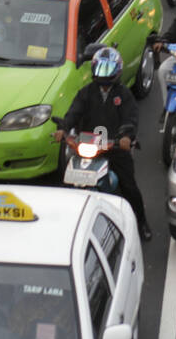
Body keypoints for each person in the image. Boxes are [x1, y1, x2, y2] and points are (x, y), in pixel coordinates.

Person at [53, 46, 151, 240]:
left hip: (114, 149)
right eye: (101, 69)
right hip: (87, 147)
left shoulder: (123, 95)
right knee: (67, 181)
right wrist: (64, 129)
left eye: (108, 69)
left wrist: (126, 136)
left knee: (129, 186)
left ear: (117, 71)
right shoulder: (86, 92)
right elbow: (74, 112)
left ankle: (141, 222)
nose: (104, 75)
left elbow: (130, 118)